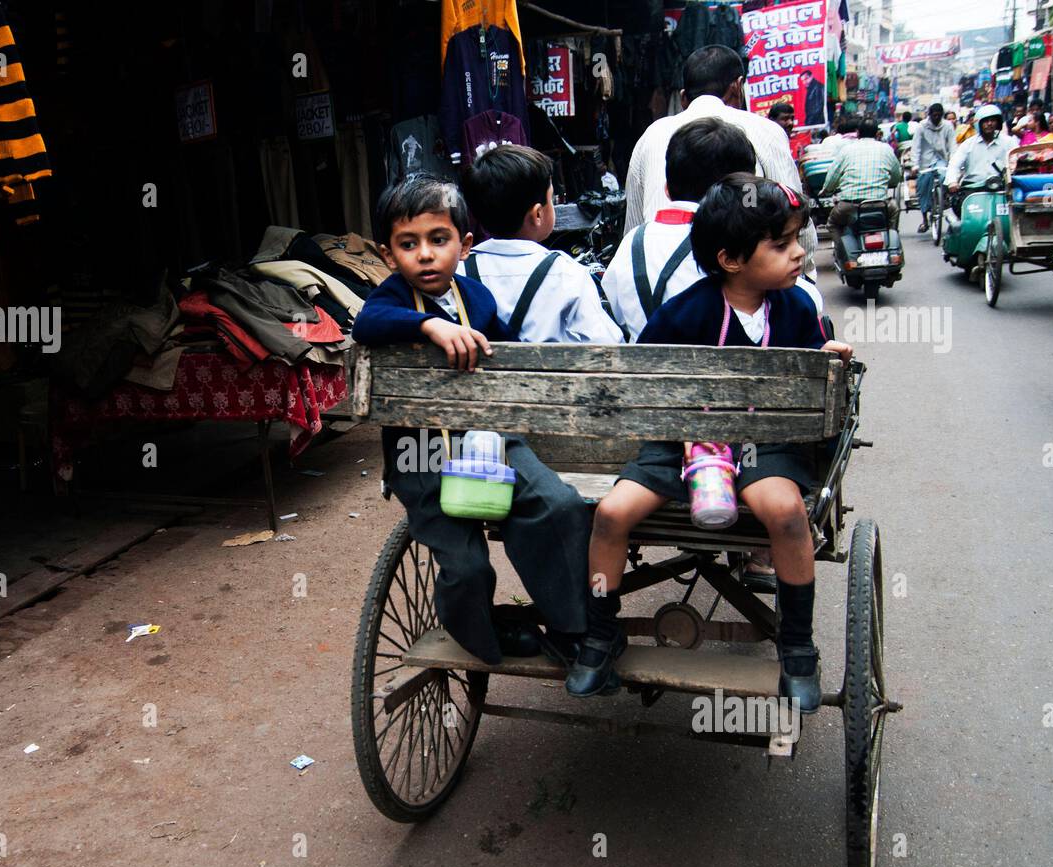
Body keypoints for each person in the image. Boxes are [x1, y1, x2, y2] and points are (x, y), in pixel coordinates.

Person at [569, 174, 854, 708]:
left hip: (762, 447)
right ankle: (599, 635)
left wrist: (827, 354)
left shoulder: (794, 309)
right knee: (611, 513)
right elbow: (645, 371)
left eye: (798, 240)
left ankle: (796, 648)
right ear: (730, 259)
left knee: (787, 512)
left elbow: (814, 365)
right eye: (782, 244)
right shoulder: (686, 310)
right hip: (680, 446)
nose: (798, 254)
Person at [351, 175, 591, 666]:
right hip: (422, 459)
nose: (424, 255)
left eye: (438, 240)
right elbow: (365, 324)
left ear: (464, 245)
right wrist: (428, 324)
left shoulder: (477, 300)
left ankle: (571, 626)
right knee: (466, 568)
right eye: (408, 244)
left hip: (488, 441)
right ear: (387, 254)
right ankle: (484, 638)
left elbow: (511, 353)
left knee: (558, 505)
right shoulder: (389, 301)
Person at [604, 117, 823, 339]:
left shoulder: (632, 244)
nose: (799, 252)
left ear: (667, 189)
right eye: (781, 244)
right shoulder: (798, 298)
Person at [622, 45, 817, 271]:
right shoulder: (764, 130)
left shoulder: (651, 135)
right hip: (745, 279)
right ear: (737, 86)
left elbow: (633, 232)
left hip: (660, 279)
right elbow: (796, 221)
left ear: (684, 97)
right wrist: (802, 278)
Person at [459, 145, 623, 344]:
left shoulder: (460, 269)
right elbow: (608, 345)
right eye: (551, 199)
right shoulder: (565, 272)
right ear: (538, 214)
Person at [820, 117, 903, 236]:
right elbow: (896, 176)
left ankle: (842, 252)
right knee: (894, 209)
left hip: (849, 206)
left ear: (858, 133)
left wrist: (827, 189)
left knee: (832, 224)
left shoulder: (846, 150)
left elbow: (833, 175)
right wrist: (890, 183)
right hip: (880, 204)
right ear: (877, 133)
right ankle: (891, 240)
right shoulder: (887, 149)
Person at [945, 104, 1013, 216]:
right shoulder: (968, 144)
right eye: (986, 121)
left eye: (992, 120)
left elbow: (1015, 159)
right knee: (960, 207)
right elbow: (954, 164)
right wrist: (952, 182)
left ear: (998, 122)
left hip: (1001, 186)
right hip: (974, 187)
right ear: (978, 124)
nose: (989, 124)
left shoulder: (1008, 142)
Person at [914, 102, 955, 232]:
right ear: (930, 115)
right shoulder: (921, 127)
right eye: (934, 115)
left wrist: (953, 163)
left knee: (945, 179)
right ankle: (925, 219)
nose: (936, 118)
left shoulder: (948, 126)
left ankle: (941, 200)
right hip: (925, 162)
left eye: (939, 116)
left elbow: (953, 146)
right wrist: (915, 165)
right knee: (922, 187)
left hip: (942, 161)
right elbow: (916, 147)